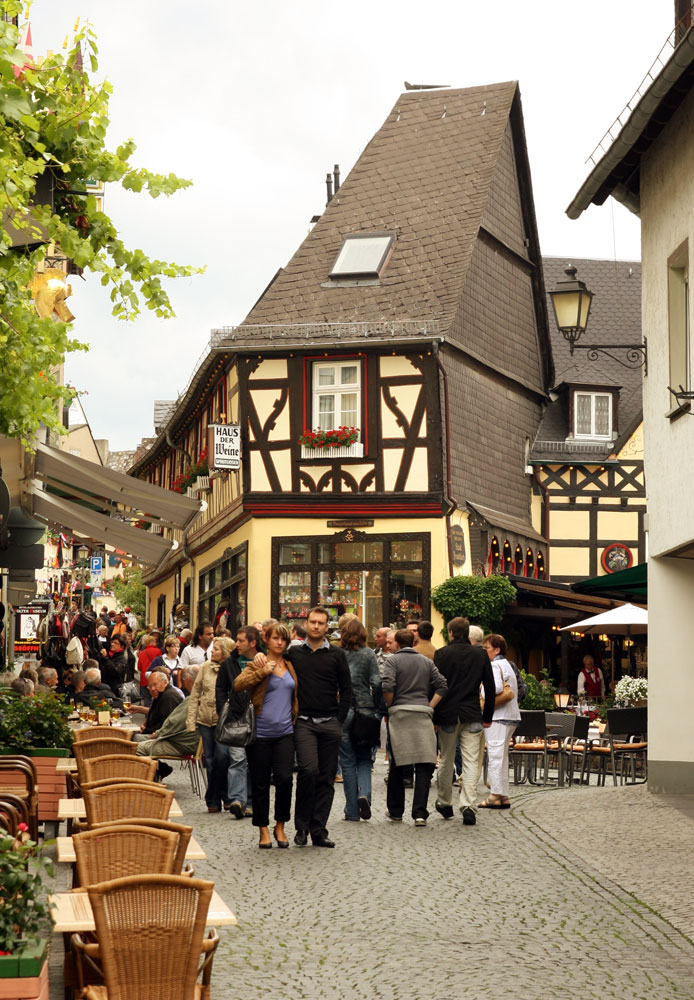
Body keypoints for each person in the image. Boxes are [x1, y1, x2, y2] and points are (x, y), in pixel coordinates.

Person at [255, 606, 351, 848]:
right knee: (308, 771)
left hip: (330, 723)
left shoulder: (337, 655)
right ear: (306, 624)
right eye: (313, 622)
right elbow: (274, 659)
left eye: (321, 623)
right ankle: (301, 826)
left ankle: (319, 829)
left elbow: (347, 689)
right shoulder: (294, 654)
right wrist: (259, 657)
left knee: (327, 778)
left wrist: (339, 720)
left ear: (327, 626)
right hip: (304, 722)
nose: (316, 626)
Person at [235, 622, 298, 848]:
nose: (279, 642)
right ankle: (263, 829)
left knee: (284, 779)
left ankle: (280, 826)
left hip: (285, 733)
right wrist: (263, 671)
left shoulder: (291, 665)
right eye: (275, 638)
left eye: (283, 639)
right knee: (260, 783)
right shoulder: (257, 663)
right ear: (266, 641)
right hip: (259, 733)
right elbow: (238, 685)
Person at [433, 617, 496, 826]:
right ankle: (468, 804)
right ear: (468, 633)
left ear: (450, 633)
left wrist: (434, 717)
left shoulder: (441, 654)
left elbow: (435, 686)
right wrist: (488, 716)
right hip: (472, 713)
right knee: (470, 762)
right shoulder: (480, 654)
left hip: (448, 713)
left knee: (446, 759)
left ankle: (444, 801)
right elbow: (489, 684)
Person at [382, 629, 447, 827]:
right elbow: (442, 686)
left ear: (397, 644)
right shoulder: (426, 662)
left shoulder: (392, 661)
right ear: (415, 640)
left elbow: (387, 686)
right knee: (425, 763)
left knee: (398, 764)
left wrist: (391, 705)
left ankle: (396, 811)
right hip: (422, 714)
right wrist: (430, 706)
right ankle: (419, 813)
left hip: (400, 713)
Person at [338, 618, 381, 822]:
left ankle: (352, 811)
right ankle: (364, 793)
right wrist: (377, 704)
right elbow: (376, 682)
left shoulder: (338, 655)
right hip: (365, 711)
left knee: (347, 762)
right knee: (364, 759)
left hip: (344, 711)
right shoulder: (369, 654)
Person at [216, 626, 261, 819]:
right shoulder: (230, 663)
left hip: (259, 719)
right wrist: (223, 711)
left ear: (253, 643)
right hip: (235, 717)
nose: (237, 643)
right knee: (237, 759)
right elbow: (221, 688)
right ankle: (237, 800)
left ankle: (250, 802)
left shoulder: (263, 660)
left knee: (255, 762)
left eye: (241, 640)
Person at [186, 636, 234, 813]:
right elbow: (195, 695)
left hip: (224, 720)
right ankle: (213, 800)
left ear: (226, 652)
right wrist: (191, 721)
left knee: (223, 758)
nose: (211, 651)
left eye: (216, 649)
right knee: (210, 761)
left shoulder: (232, 667)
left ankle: (224, 794)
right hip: (205, 719)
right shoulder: (205, 667)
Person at [136, 664, 201, 778]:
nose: (182, 683)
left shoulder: (188, 698)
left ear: (189, 680)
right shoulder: (200, 695)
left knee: (135, 747)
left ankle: (151, 780)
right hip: (183, 740)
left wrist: (157, 734)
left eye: (183, 679)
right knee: (135, 740)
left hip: (180, 742)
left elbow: (173, 723)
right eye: (150, 686)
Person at [479, 634, 521, 809]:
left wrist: (481, 691)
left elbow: (494, 688)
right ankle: (503, 794)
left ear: (497, 650)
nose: (484, 652)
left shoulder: (494, 665)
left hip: (498, 716)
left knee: (496, 756)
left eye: (486, 648)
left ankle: (495, 794)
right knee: (502, 756)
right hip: (510, 716)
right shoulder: (507, 665)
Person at [128, 669, 181, 740]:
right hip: (155, 733)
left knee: (131, 737)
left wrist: (146, 730)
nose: (152, 689)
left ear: (165, 682)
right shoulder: (160, 694)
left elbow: (165, 725)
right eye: (149, 686)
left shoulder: (169, 697)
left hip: (165, 738)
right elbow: (156, 713)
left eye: (155, 684)